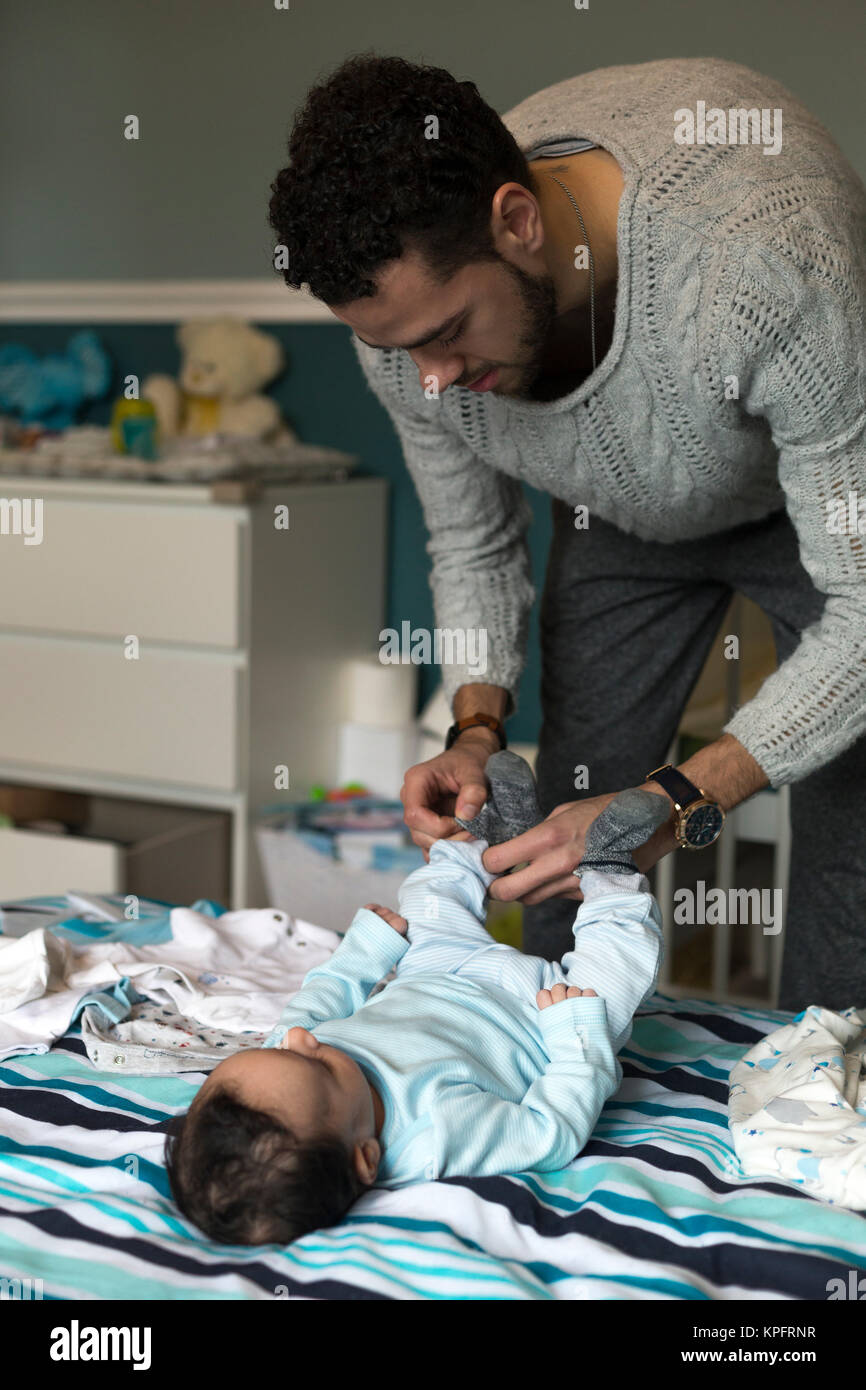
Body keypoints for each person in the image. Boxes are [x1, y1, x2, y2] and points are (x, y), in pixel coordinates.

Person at [268, 53, 866, 1011]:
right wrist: (473, 727)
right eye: (396, 349)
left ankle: (824, 1105)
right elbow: (471, 548)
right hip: (619, 509)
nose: (429, 377)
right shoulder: (412, 330)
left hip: (815, 509)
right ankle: (549, 1055)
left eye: (450, 331)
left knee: (853, 841)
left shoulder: (764, 257)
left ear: (518, 222)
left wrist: (683, 802)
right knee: (557, 835)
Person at [164, 772, 665, 1246]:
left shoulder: (290, 1059)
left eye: (277, 1048)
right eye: (314, 1062)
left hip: (433, 970)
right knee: (617, 976)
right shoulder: (433, 1137)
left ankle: (483, 835)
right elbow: (548, 1134)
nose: (299, 1038)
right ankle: (610, 867)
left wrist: (363, 953)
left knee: (428, 901)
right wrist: (574, 1043)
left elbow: (319, 999)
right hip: (539, 1015)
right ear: (365, 1157)